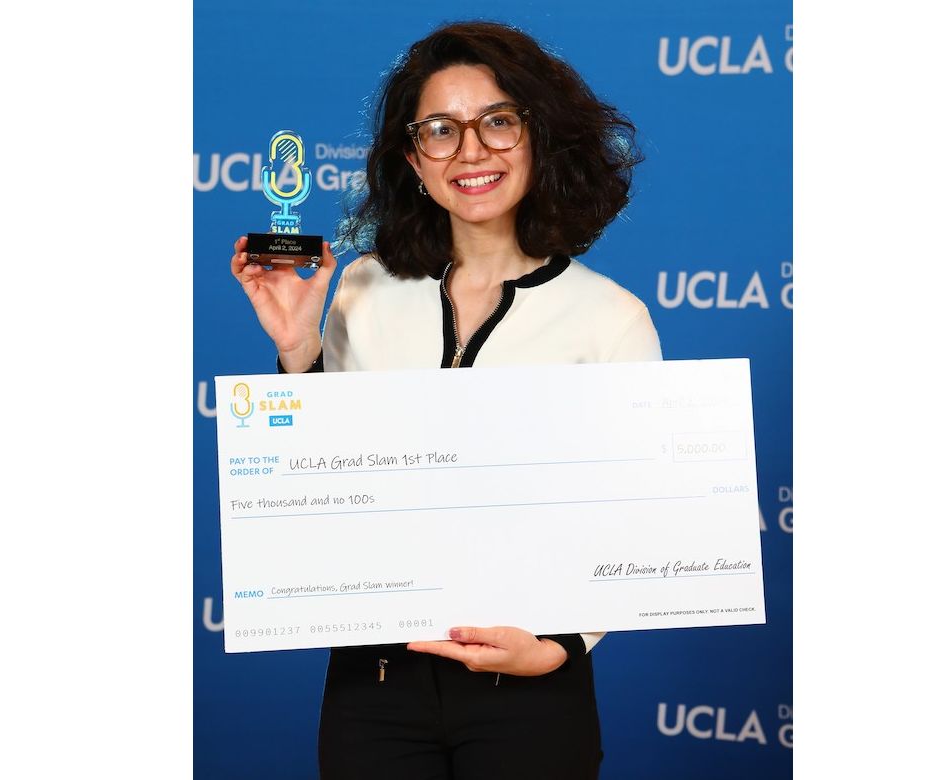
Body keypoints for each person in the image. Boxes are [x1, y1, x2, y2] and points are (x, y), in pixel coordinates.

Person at [231, 21, 661, 780]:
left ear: (540, 136)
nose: (471, 151)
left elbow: (636, 523)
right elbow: (326, 479)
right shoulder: (361, 288)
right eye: (441, 129)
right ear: (413, 158)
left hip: (527, 688)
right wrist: (298, 351)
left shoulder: (612, 319)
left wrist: (558, 647)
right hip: (375, 688)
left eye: (497, 121)